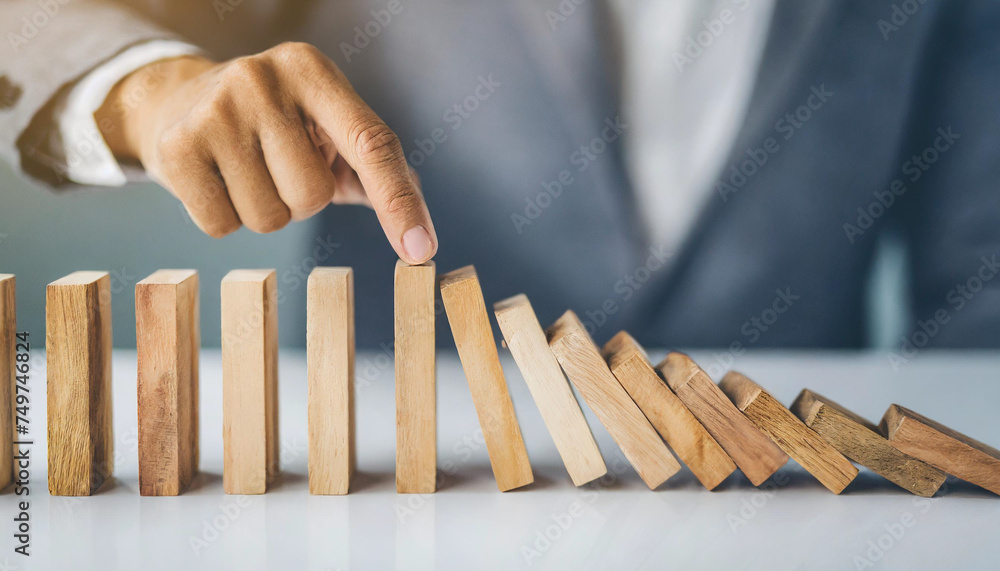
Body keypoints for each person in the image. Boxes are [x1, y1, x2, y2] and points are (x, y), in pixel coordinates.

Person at [2, 0, 998, 350]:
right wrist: (147, 90)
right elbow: (31, 24)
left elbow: (982, 297)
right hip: (389, 503)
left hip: (785, 518)